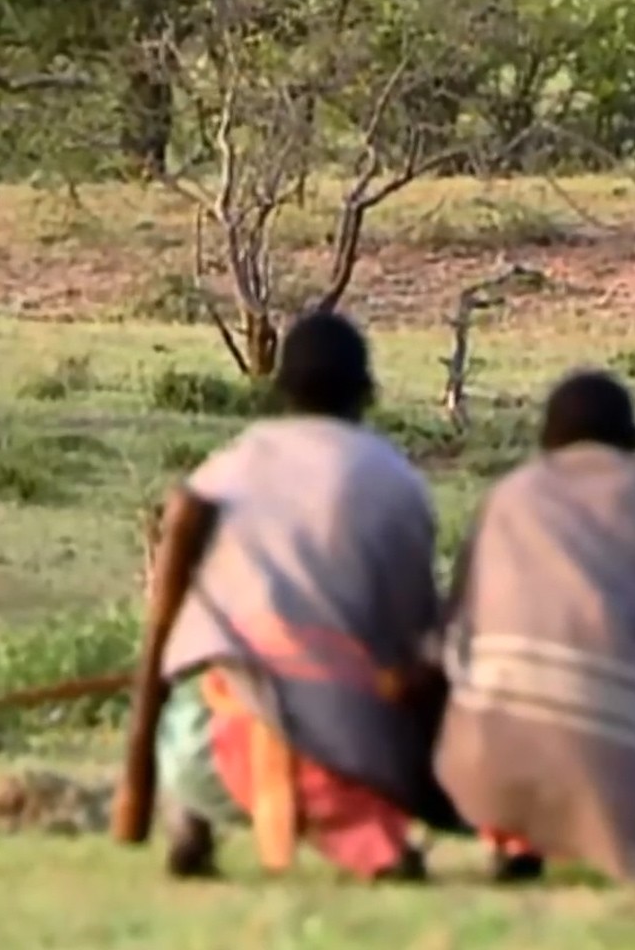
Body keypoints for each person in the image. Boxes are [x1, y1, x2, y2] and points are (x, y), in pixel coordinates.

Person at [153, 310, 461, 881]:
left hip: (210, 757)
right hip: (349, 750)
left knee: (195, 704)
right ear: (369, 391)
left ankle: (189, 817)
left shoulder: (229, 465)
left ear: (280, 387)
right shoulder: (396, 483)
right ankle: (366, 828)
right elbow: (410, 647)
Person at [433, 369, 635, 883]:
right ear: (631, 439)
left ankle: (514, 835)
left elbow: (457, 625)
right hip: (631, 767)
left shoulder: (508, 498)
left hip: (486, 769)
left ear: (547, 439)